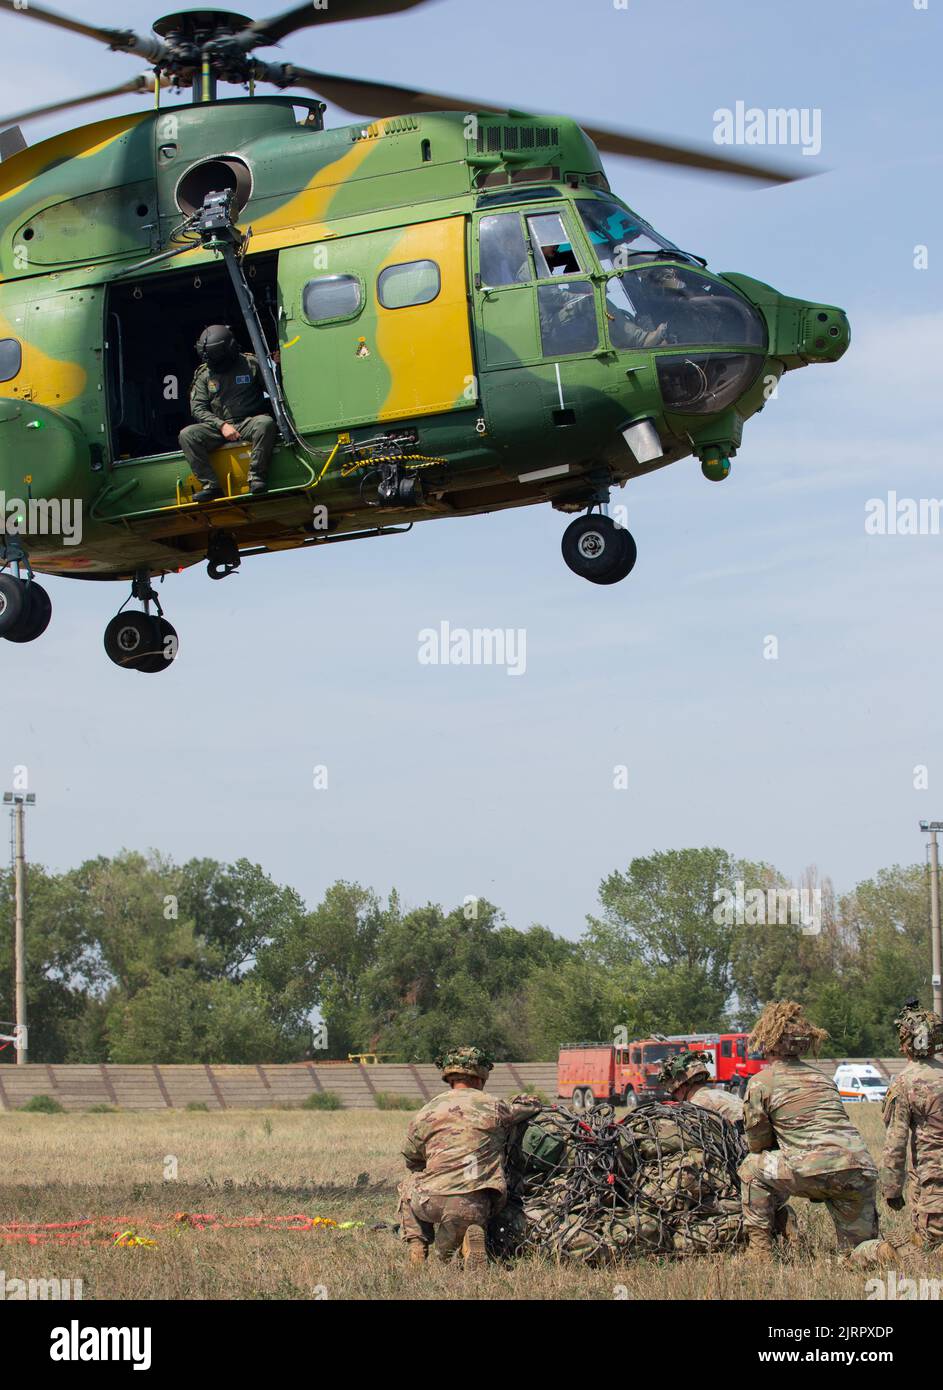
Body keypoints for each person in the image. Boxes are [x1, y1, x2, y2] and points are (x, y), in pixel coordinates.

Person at [738, 1000, 880, 1259]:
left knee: (751, 1167)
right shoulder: (824, 1079)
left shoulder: (762, 1082)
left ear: (768, 1041)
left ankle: (759, 1252)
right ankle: (881, 1251)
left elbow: (757, 1144)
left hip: (811, 1169)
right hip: (858, 1170)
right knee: (855, 1254)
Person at [397, 1046, 541, 1270]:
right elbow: (531, 1106)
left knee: (408, 1185)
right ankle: (469, 1237)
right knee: (456, 1232)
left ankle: (417, 1246)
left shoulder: (427, 1111)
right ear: (481, 1076)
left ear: (449, 1077)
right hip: (481, 1201)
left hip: (432, 1200)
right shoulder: (496, 1106)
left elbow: (412, 1159)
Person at [179, 325, 277, 501]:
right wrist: (221, 425)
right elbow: (198, 408)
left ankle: (256, 477)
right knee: (187, 435)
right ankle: (211, 485)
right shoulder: (204, 374)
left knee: (265, 423)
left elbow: (276, 392)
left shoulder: (251, 364)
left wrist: (278, 367)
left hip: (248, 422)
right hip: (219, 427)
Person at [879, 998, 943, 1252]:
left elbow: (896, 1142)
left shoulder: (905, 1083)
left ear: (906, 1042)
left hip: (933, 1187)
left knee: (925, 1252)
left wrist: (891, 1189)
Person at [658, 1051, 745, 1124]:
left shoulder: (697, 1104)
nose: (676, 1099)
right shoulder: (725, 1095)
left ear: (682, 1087)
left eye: (674, 1094)